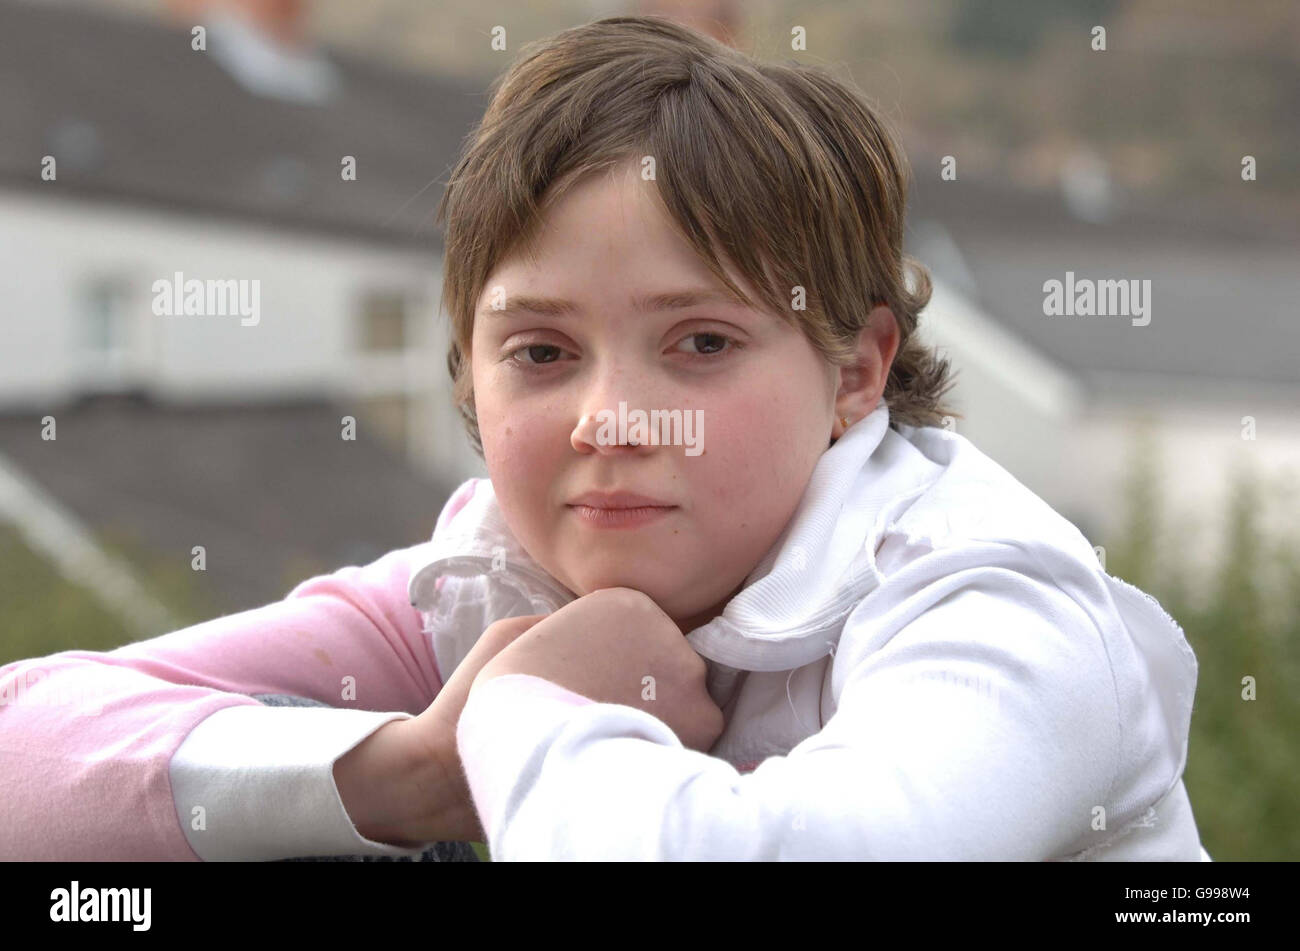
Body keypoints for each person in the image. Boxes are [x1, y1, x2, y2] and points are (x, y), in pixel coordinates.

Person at [0, 15, 1210, 861]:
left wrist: (530, 712)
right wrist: (410, 770)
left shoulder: (988, 598)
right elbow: (27, 751)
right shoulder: (492, 576)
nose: (613, 418)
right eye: (540, 352)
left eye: (700, 344)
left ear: (853, 372)